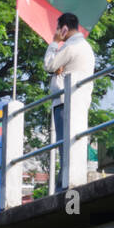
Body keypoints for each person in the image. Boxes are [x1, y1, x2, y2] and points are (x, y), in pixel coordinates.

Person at [44, 12, 94, 147]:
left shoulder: (71, 46)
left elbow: (49, 65)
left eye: (58, 29)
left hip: (64, 101)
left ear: (64, 29)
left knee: (64, 145)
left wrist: (54, 43)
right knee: (75, 143)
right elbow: (57, 66)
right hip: (80, 100)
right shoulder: (85, 46)